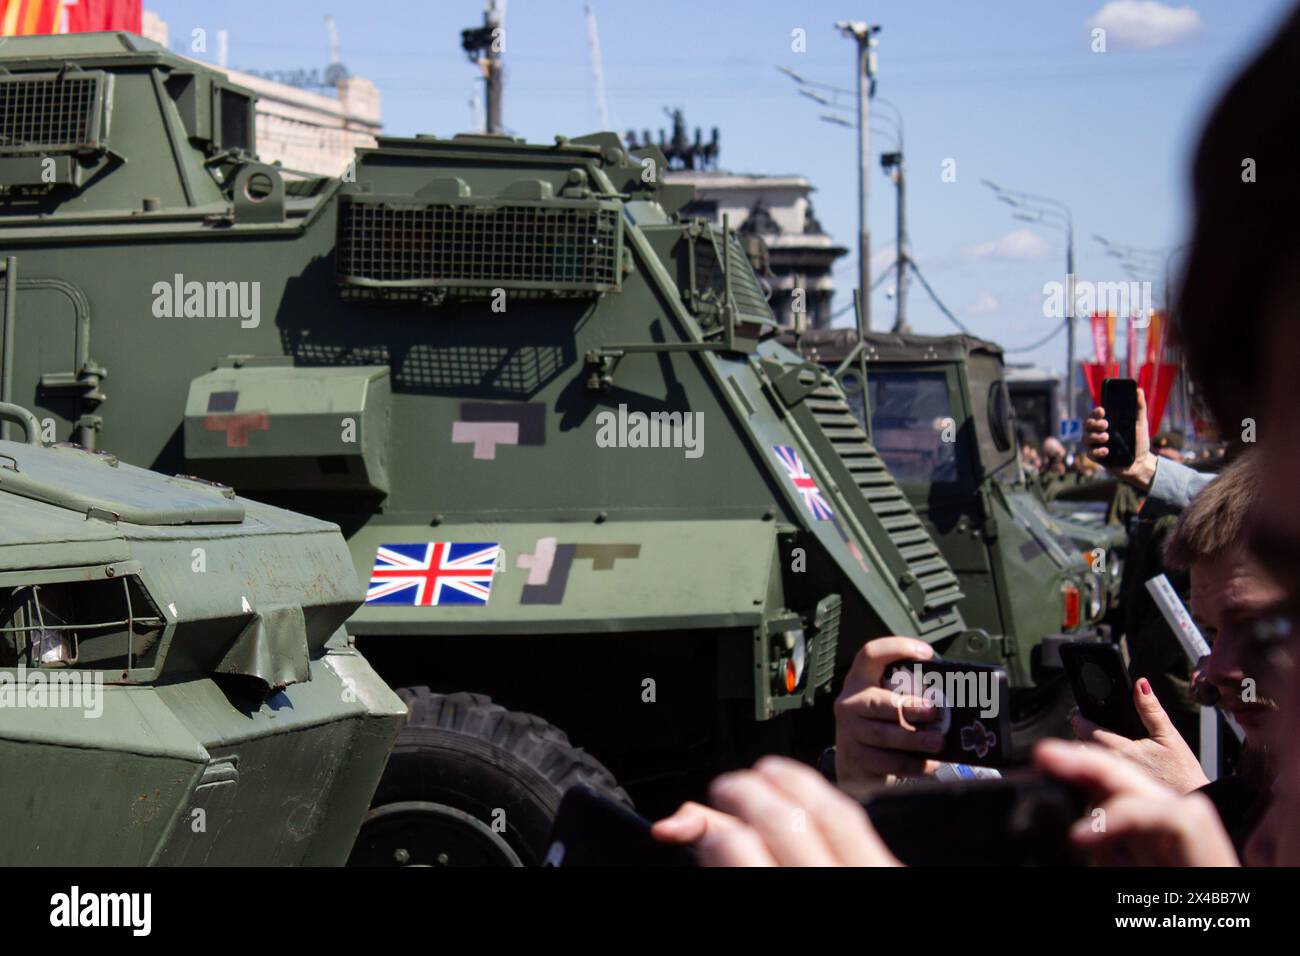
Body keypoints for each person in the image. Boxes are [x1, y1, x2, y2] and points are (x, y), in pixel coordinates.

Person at [1072, 450, 1285, 851]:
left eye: (1255, 626)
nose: (1216, 667)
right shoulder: (1269, 767)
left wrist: (1194, 803)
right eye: (1211, 632)